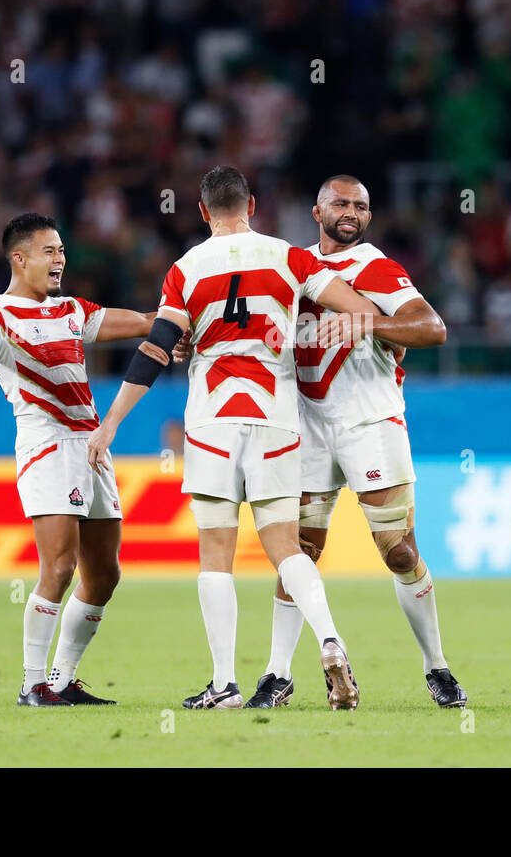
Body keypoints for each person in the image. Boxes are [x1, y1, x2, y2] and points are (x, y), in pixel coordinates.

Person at [85, 166, 393, 710]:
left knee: (215, 553)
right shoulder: (291, 257)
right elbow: (364, 313)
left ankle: (224, 683)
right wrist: (308, 331)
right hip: (277, 414)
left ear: (203, 212)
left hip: (213, 419)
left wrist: (111, 423)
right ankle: (329, 639)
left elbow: (157, 348)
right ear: (251, 205)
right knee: (285, 546)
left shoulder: (185, 268)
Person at [0, 212, 179, 707]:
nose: (60, 260)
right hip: (48, 446)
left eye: (61, 251)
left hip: (92, 446)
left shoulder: (70, 311)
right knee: (58, 568)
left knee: (104, 574)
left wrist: (176, 325)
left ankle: (61, 680)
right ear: (19, 258)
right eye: (49, 252)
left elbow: (144, 322)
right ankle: (31, 684)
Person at [244, 174, 466, 710]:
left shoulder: (375, 267)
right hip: (305, 427)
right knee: (298, 554)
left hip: (369, 422)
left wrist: (368, 323)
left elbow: (432, 329)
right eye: (340, 203)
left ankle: (436, 665)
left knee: (399, 553)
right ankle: (277, 675)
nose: (351, 211)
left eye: (361, 205)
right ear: (316, 211)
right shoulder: (288, 265)